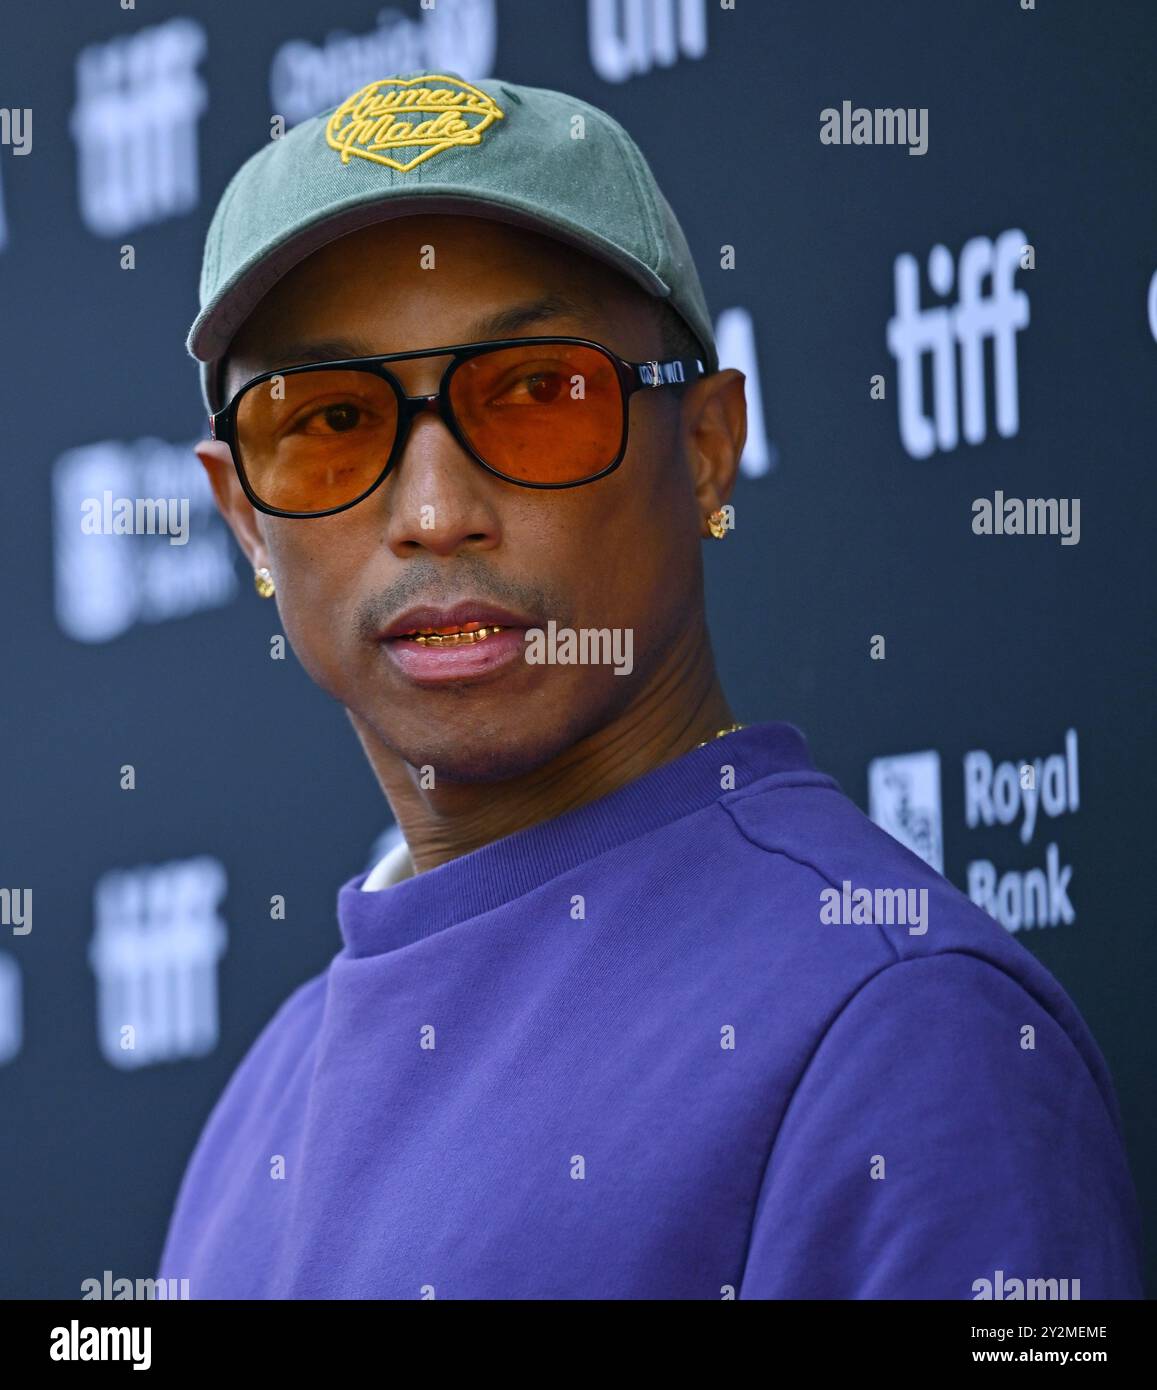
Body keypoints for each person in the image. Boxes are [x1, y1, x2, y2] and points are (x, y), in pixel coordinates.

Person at [157, 71, 1144, 1299]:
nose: (433, 511)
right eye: (333, 417)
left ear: (707, 451)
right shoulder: (258, 1106)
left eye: (534, 394)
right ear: (244, 517)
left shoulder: (897, 1025)